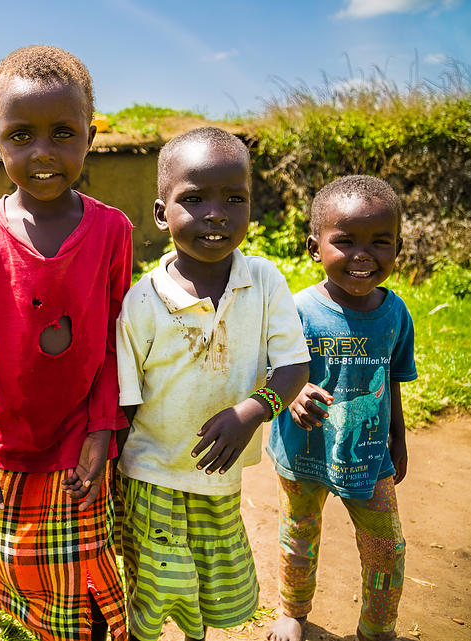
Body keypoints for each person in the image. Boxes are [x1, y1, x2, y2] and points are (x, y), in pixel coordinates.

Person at [0, 46, 131, 641]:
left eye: (63, 134)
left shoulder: (112, 230)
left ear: (91, 137)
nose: (43, 153)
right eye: (21, 135)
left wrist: (104, 429)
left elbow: (114, 340)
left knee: (86, 583)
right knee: (18, 563)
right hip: (7, 438)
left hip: (81, 437)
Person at [115, 127, 310, 641]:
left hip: (218, 475)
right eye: (194, 199)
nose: (215, 213)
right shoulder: (142, 301)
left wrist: (253, 410)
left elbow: (292, 367)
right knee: (154, 586)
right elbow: (127, 401)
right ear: (162, 214)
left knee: (205, 583)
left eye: (234, 198)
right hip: (152, 471)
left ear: (251, 206)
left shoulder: (265, 281)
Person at [266, 175, 416, 641]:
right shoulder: (294, 310)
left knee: (385, 547)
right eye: (345, 241)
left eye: (379, 242)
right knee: (299, 538)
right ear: (315, 247)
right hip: (302, 452)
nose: (362, 254)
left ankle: (378, 628)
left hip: (369, 456)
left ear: (398, 247)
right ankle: (293, 611)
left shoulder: (396, 313)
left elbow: (392, 379)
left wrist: (400, 436)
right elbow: (270, 370)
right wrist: (292, 394)